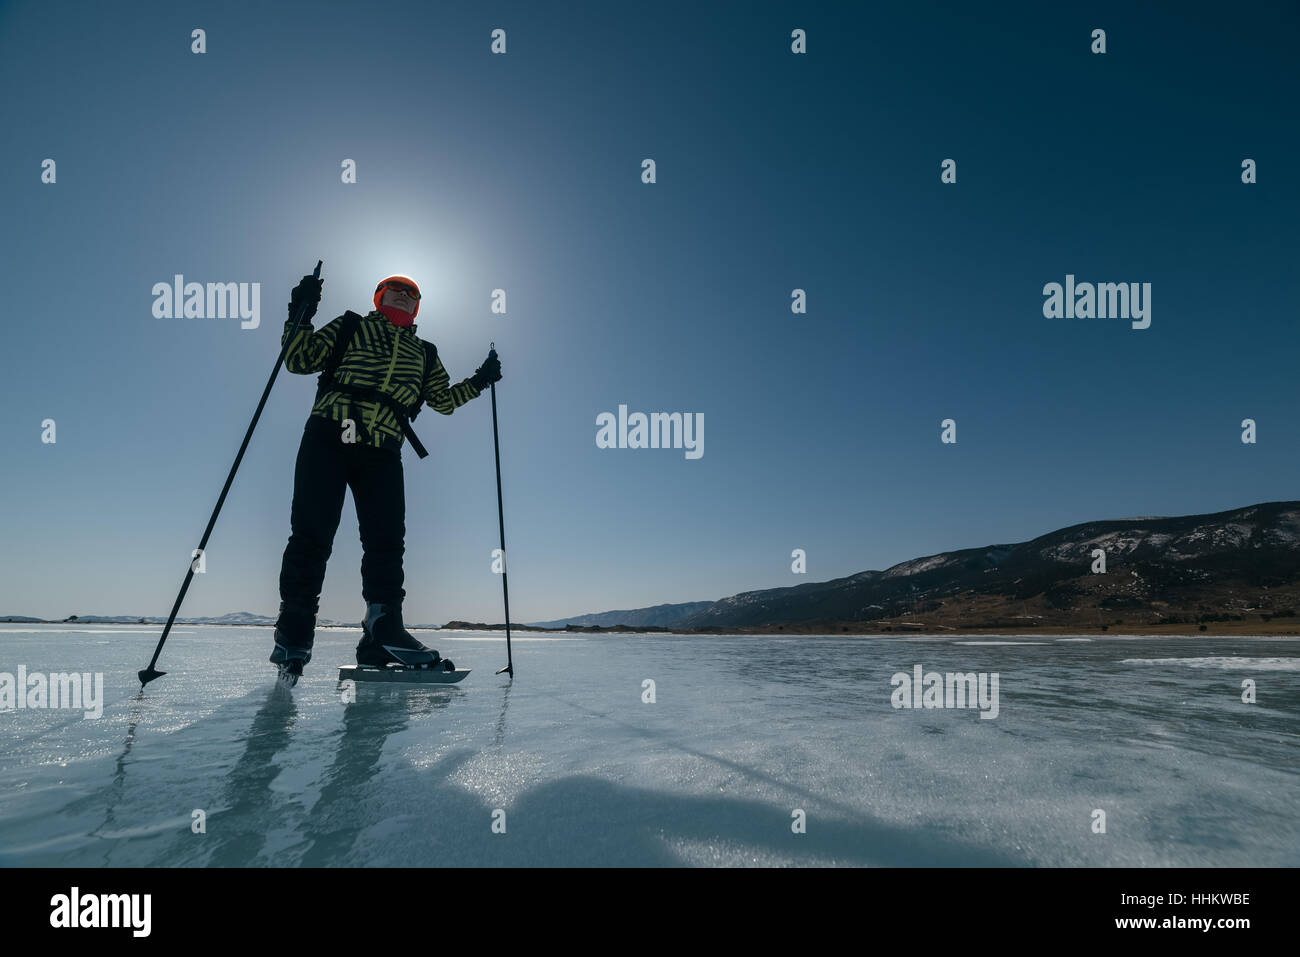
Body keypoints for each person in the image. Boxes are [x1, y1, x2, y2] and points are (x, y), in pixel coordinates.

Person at [269, 273, 501, 678]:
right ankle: (293, 634)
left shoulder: (425, 353)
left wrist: (480, 382)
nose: (405, 296)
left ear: (418, 307)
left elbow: (443, 402)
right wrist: (300, 312)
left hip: (383, 448)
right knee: (311, 535)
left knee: (386, 544)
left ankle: (381, 634)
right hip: (329, 435)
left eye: (413, 294)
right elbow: (299, 360)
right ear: (378, 297)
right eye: (396, 290)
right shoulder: (350, 326)